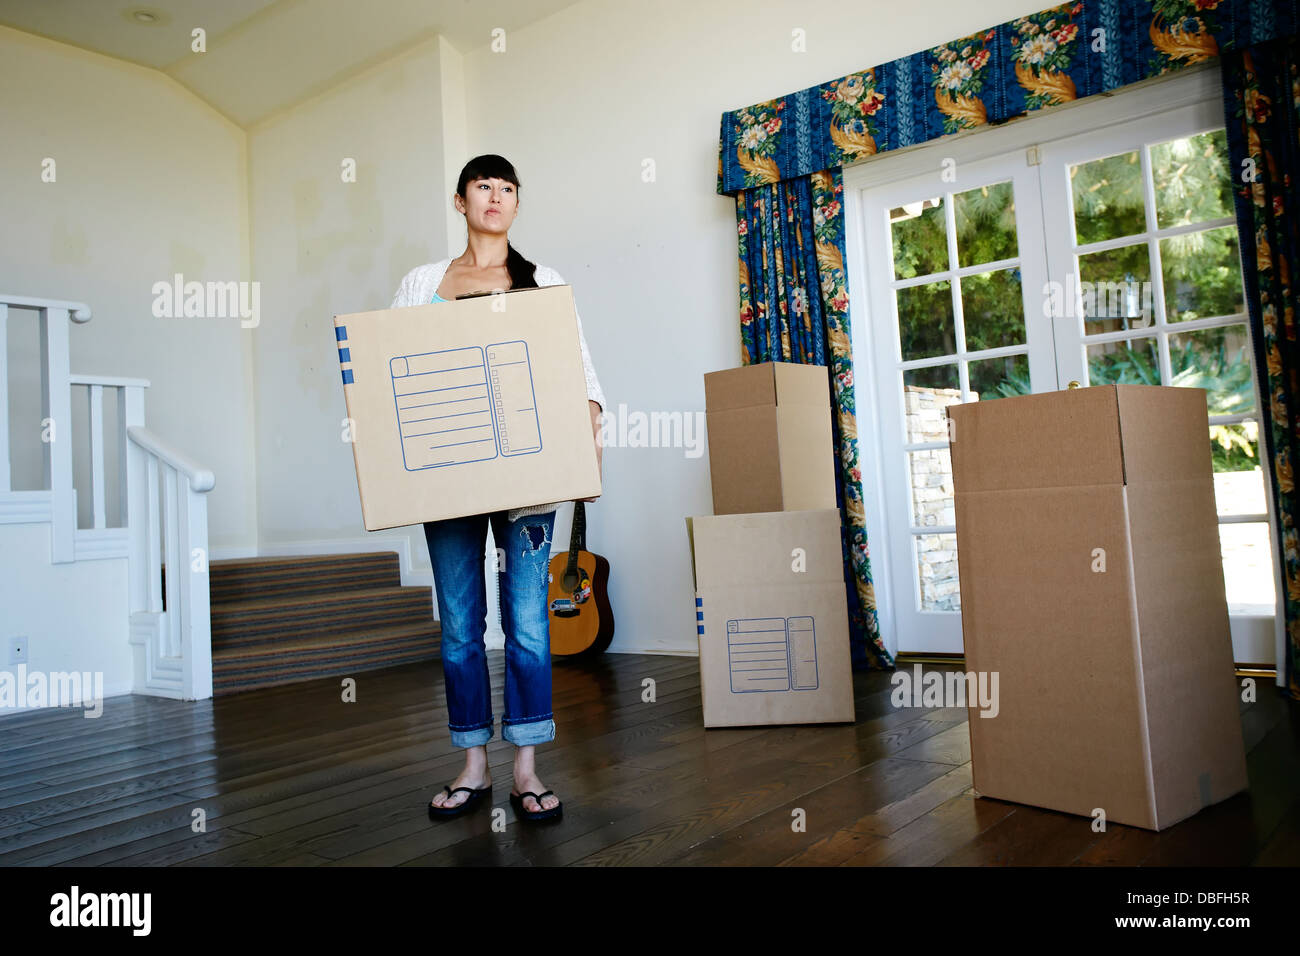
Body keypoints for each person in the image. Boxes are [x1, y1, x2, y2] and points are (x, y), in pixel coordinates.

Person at [387, 154, 605, 823]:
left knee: (530, 629)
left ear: (516, 204)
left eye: (508, 188)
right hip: (448, 478)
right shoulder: (425, 281)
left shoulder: (542, 279)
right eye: (484, 185)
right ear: (460, 201)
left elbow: (577, 368)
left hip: (529, 481)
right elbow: (393, 368)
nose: (496, 196)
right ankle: (473, 763)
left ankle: (527, 768)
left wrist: (589, 443)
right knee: (458, 628)